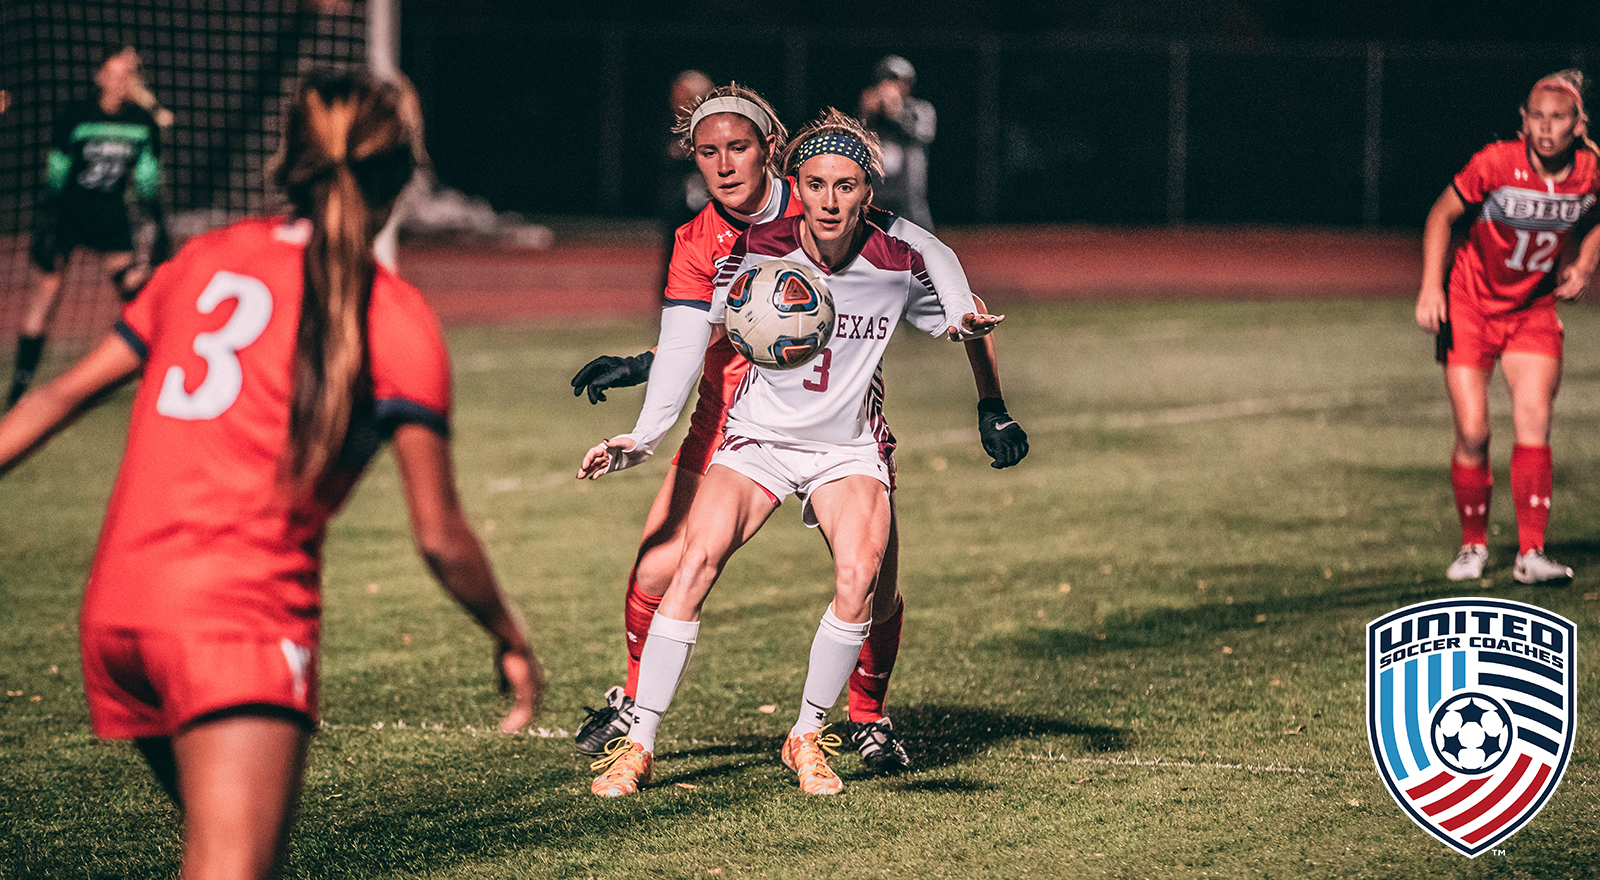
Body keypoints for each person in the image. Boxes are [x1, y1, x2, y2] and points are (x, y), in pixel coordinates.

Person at [0, 70, 541, 880]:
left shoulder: (205, 261)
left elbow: (56, 396)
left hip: (120, 612)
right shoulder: (390, 313)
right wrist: (508, 634)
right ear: (399, 180)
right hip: (233, 622)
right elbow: (439, 536)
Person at [568, 84, 1027, 773]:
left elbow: (950, 290)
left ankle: (856, 720)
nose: (724, 165)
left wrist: (991, 402)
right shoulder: (722, 244)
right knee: (670, 565)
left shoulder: (869, 236)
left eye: (739, 148)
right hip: (740, 424)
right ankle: (638, 720)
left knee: (872, 583)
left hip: (846, 441)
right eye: (708, 151)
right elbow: (701, 330)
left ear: (771, 154)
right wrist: (643, 385)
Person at [1415, 69, 1600, 585]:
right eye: (1536, 117)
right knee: (1473, 433)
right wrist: (1432, 286)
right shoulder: (1496, 162)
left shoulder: (1590, 170)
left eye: (1558, 118)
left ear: (1577, 124)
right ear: (1523, 121)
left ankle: (1530, 552)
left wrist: (1585, 264)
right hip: (1471, 305)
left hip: (1532, 312)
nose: (1546, 128)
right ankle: (1473, 545)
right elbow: (1440, 215)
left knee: (1534, 421)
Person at [8, 46, 171, 409]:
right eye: (115, 72)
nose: (121, 80)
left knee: (136, 295)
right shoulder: (76, 116)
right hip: (68, 215)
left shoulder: (142, 123)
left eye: (129, 73)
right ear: (99, 77)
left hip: (110, 217)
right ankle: (19, 388)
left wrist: (156, 224)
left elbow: (147, 183)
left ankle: (157, 378)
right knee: (45, 295)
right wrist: (47, 220)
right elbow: (56, 174)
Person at [859, 55, 935, 230]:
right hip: (876, 195)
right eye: (886, 79)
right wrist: (866, 114)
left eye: (897, 80)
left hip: (909, 198)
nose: (891, 86)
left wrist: (896, 112)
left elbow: (923, 134)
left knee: (922, 246)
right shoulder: (871, 111)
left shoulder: (920, 109)